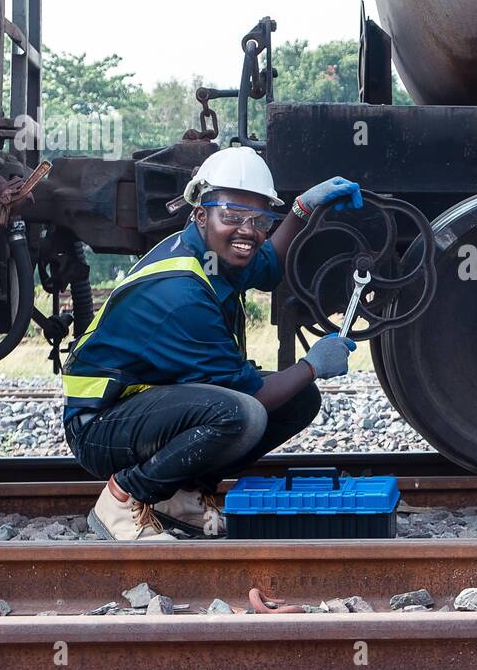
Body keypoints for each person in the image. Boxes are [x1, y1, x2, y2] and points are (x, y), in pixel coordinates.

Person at [61, 143, 362, 540]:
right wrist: (312, 366)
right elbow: (251, 394)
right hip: (99, 427)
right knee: (242, 413)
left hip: (143, 408)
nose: (247, 230)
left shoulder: (211, 254)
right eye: (233, 216)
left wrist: (302, 209)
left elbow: (269, 262)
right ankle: (122, 498)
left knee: (298, 397)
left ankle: (181, 498)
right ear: (201, 214)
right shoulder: (182, 292)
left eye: (259, 219)